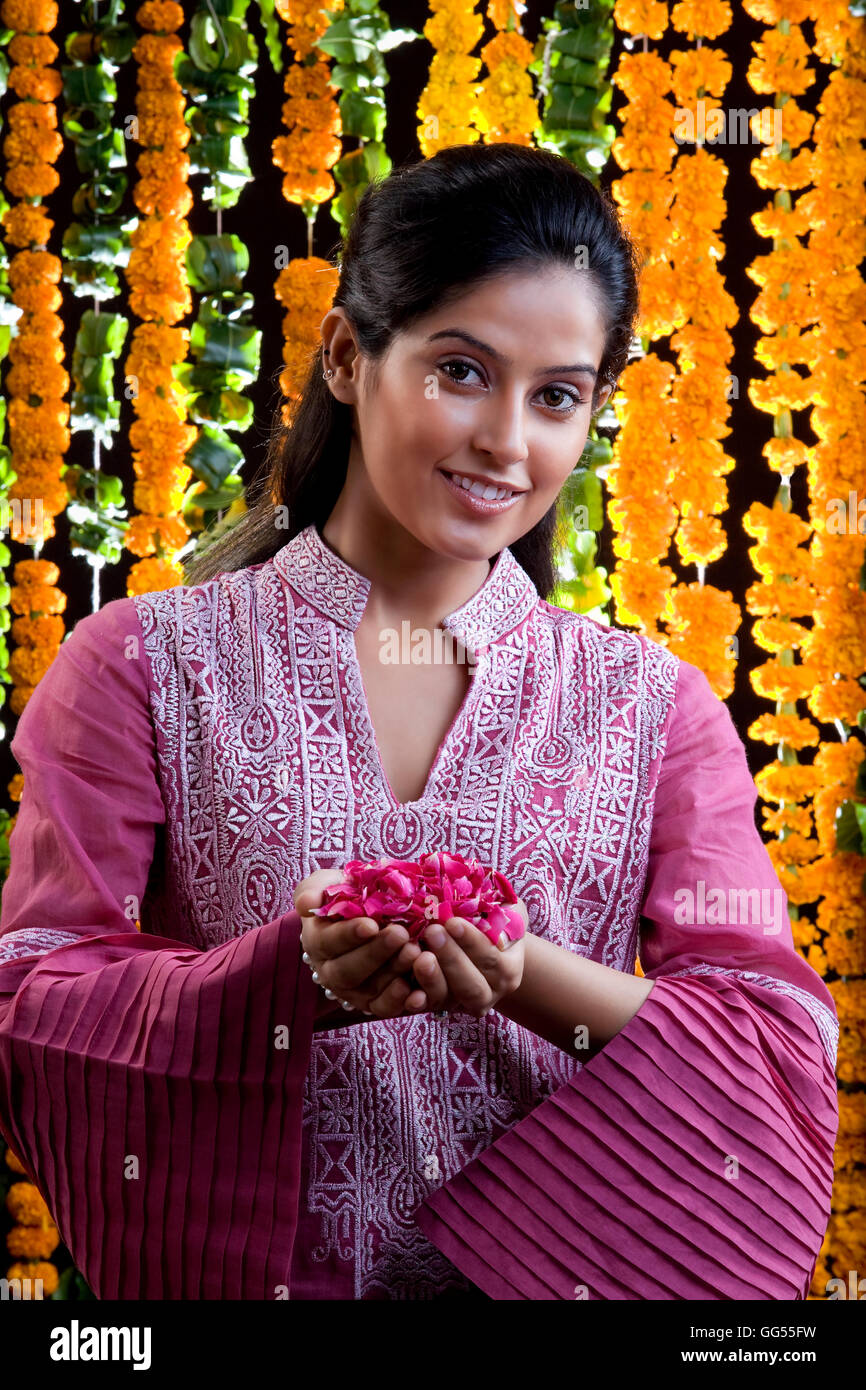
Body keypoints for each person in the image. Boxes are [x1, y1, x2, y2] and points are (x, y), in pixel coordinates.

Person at [0, 143, 838, 1301]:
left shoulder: (651, 711)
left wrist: (517, 971)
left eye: (556, 395)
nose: (506, 440)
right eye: (460, 370)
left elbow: (767, 1053)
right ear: (348, 356)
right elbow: (39, 998)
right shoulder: (147, 667)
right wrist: (281, 977)